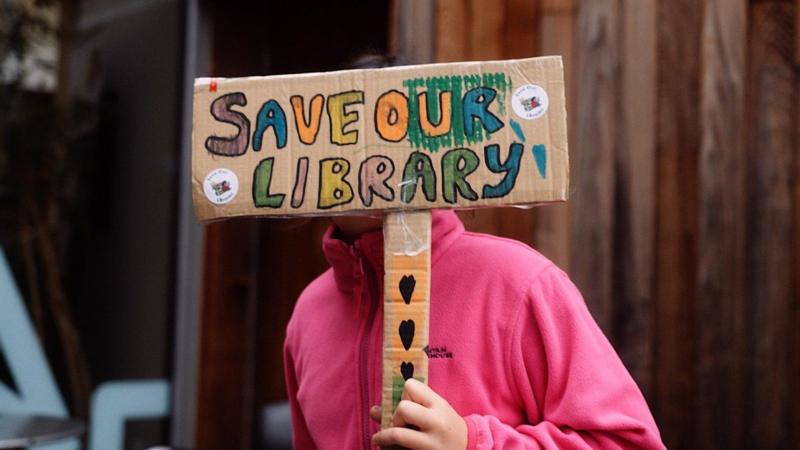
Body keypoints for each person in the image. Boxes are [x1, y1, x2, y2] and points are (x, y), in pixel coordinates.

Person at [283, 56, 665, 450]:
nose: (362, 156)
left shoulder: (520, 284)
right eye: (343, 130)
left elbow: (629, 443)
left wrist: (474, 443)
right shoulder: (309, 314)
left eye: (383, 128)